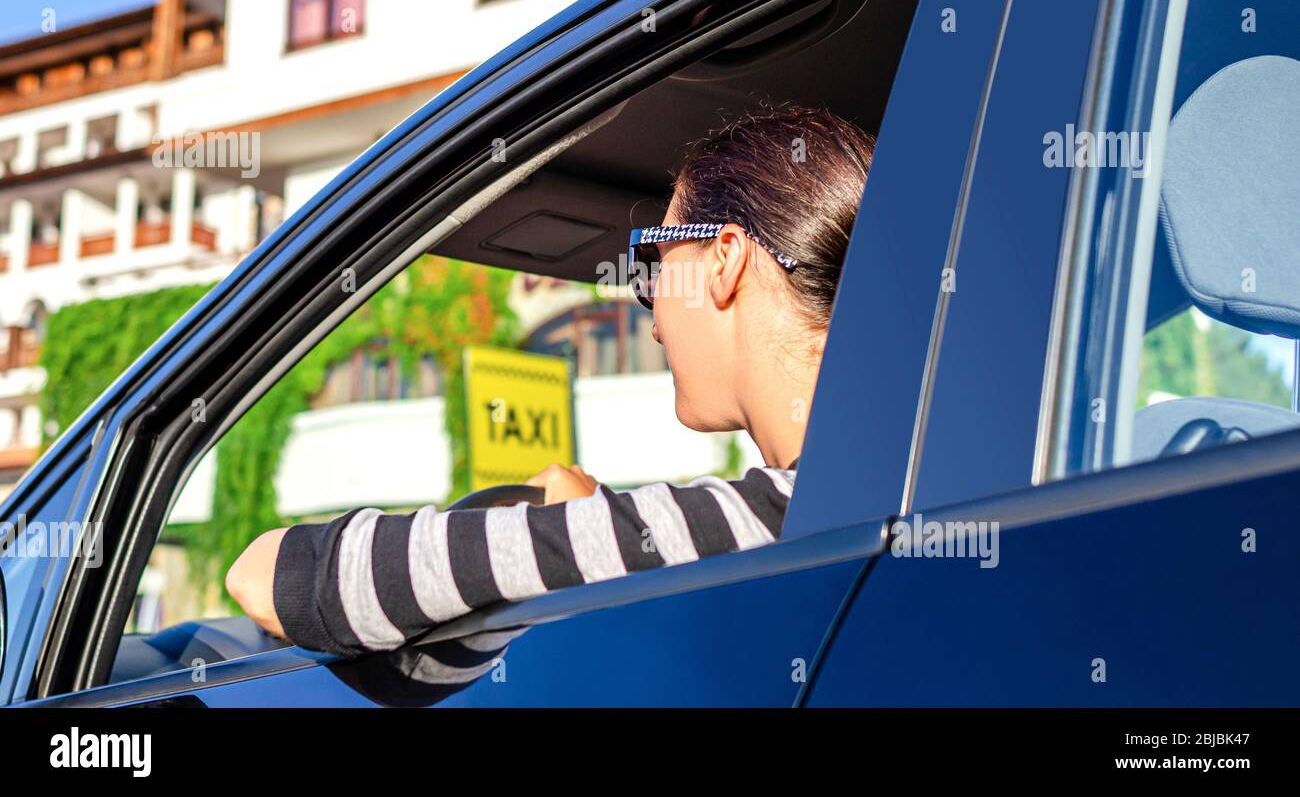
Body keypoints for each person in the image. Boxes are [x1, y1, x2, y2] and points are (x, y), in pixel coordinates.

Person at [226, 103, 875, 657]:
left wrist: (571, 530)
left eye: (655, 263)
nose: (651, 319)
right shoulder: (869, 499)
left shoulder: (766, 517)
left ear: (724, 262)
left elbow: (270, 577)